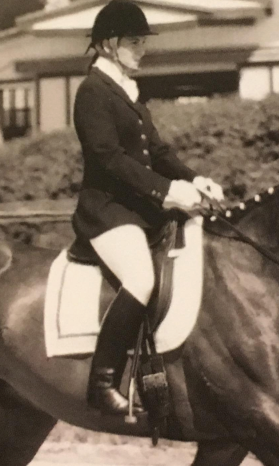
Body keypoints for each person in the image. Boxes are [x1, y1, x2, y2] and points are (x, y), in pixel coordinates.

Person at [72, 0, 224, 415]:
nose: (143, 49)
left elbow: (156, 150)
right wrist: (165, 191)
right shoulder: (92, 92)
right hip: (108, 213)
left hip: (140, 210)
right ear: (107, 45)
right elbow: (109, 158)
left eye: (143, 41)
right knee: (141, 279)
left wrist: (194, 179)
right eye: (134, 42)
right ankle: (102, 382)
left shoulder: (127, 91)